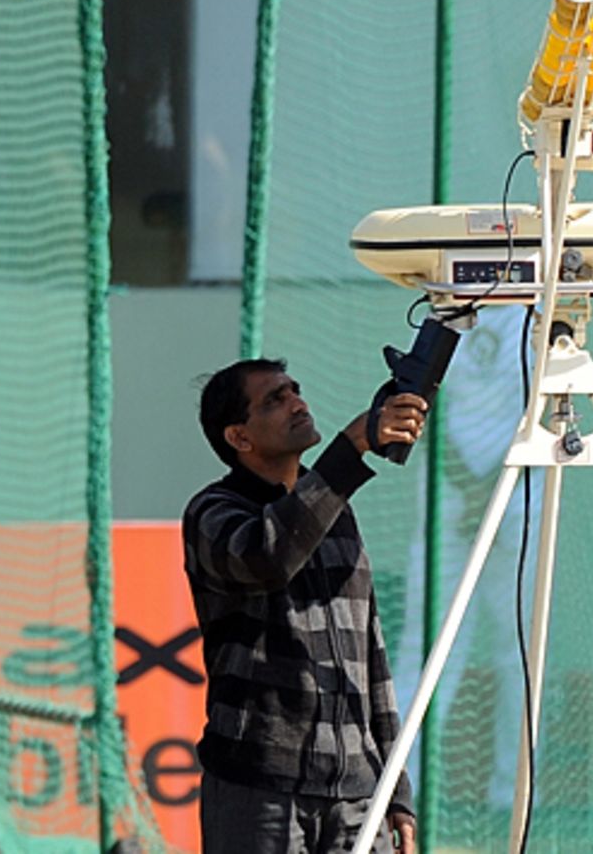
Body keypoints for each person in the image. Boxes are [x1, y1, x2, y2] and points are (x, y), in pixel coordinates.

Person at [183, 357, 427, 853]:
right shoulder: (213, 512)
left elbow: (371, 656)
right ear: (239, 438)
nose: (298, 403)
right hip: (260, 787)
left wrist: (395, 788)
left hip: (358, 793)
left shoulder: (336, 513)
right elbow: (268, 555)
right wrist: (354, 443)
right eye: (274, 399)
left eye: (294, 390)